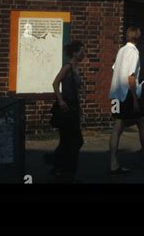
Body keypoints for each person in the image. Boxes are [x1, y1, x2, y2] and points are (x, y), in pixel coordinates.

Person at [109, 26, 144, 175]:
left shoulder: (121, 50)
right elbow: (131, 77)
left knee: (117, 128)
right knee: (142, 125)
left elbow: (114, 68)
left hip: (116, 93)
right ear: (138, 38)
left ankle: (113, 162)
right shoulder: (134, 53)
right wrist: (135, 99)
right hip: (128, 94)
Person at [49, 41, 85, 183]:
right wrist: (61, 101)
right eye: (82, 51)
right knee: (75, 141)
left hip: (74, 106)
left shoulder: (76, 68)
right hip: (66, 107)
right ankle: (67, 172)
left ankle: (58, 166)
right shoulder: (68, 67)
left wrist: (80, 107)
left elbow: (76, 91)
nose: (84, 54)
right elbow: (55, 83)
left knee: (68, 141)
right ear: (75, 53)